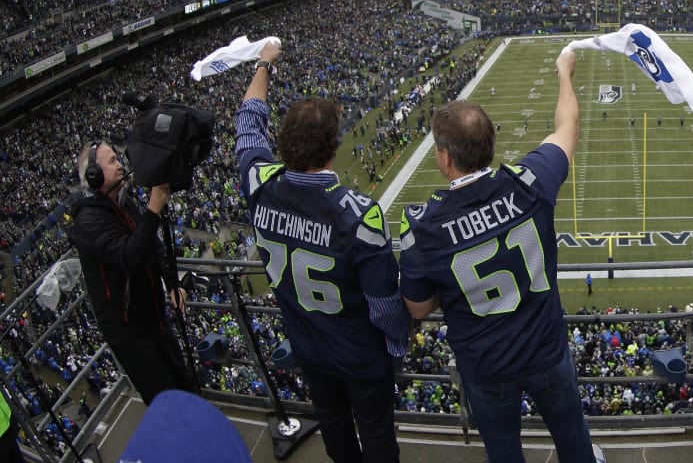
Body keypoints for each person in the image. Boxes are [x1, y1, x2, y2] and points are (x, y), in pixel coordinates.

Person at [399, 51, 602, 463]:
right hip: (545, 349)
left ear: (446, 156)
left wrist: (453, 284)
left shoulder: (424, 227)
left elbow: (417, 307)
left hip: (486, 364)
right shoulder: (529, 183)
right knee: (572, 436)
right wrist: (564, 72)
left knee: (504, 450)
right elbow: (569, 127)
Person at [235, 41, 409, 463]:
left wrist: (263, 65)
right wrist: (398, 346)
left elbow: (246, 122)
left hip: (309, 346)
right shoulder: (359, 215)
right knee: (377, 434)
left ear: (284, 143)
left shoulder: (260, 184)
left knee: (333, 425)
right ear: (334, 147)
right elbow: (384, 304)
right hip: (359, 353)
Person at [69, 141, 195, 405]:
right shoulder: (88, 222)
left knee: (184, 383)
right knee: (166, 400)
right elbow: (129, 256)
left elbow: (153, 244)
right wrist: (153, 209)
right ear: (94, 175)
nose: (120, 165)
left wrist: (171, 283)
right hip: (131, 334)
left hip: (154, 317)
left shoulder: (122, 202)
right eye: (113, 160)